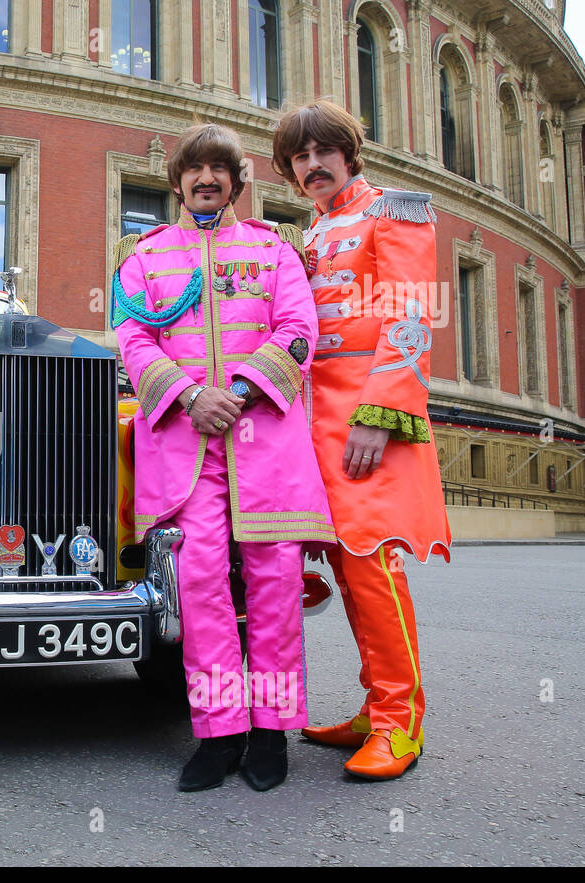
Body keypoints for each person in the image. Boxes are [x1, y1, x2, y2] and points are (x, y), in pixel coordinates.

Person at [114, 123, 334, 792]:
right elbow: (131, 336)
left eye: (219, 168)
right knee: (202, 584)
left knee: (272, 585)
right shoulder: (144, 256)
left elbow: (300, 330)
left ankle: (271, 731)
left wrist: (236, 392)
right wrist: (187, 397)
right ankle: (218, 732)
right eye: (194, 168)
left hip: (261, 435)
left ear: (236, 180)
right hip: (183, 442)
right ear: (176, 179)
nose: (206, 178)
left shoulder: (274, 251)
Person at [271, 99, 451, 780]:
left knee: (373, 564)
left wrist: (380, 413)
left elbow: (411, 316)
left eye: (323, 151)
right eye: (299, 156)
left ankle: (401, 721)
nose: (312, 165)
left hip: (368, 417)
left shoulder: (392, 211)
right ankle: (376, 706)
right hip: (314, 419)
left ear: (349, 153)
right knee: (349, 568)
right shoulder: (314, 230)